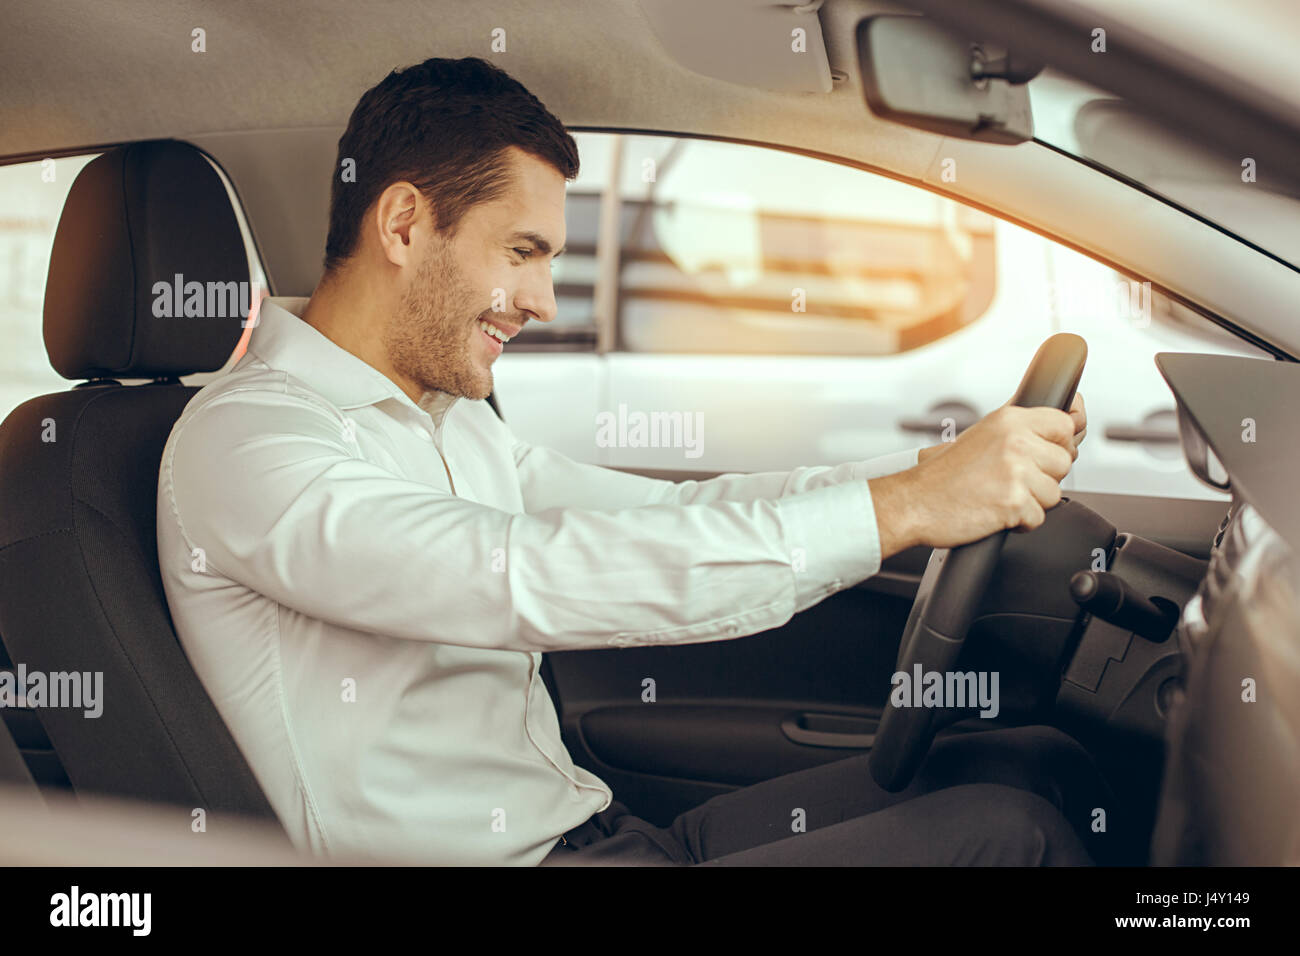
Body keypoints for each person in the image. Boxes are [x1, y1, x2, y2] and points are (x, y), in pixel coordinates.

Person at [157, 56, 1105, 867]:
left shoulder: (443, 417)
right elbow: (530, 577)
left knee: (1026, 761)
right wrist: (901, 509)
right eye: (521, 251)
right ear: (403, 225)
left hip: (599, 831)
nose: (543, 299)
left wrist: (939, 472)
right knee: (1007, 837)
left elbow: (657, 517)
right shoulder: (251, 445)